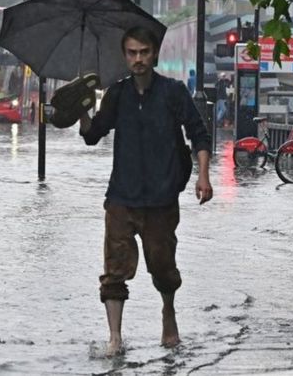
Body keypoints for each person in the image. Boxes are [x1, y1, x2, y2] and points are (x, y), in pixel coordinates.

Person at [78, 26, 213, 356]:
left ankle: (168, 311)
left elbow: (199, 134)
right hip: (121, 197)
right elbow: (93, 135)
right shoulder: (117, 94)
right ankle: (114, 338)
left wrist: (204, 177)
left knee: (163, 268)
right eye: (131, 53)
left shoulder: (173, 92)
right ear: (124, 56)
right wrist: (79, 107)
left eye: (143, 52)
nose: (137, 59)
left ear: (154, 54)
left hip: (161, 199)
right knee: (113, 272)